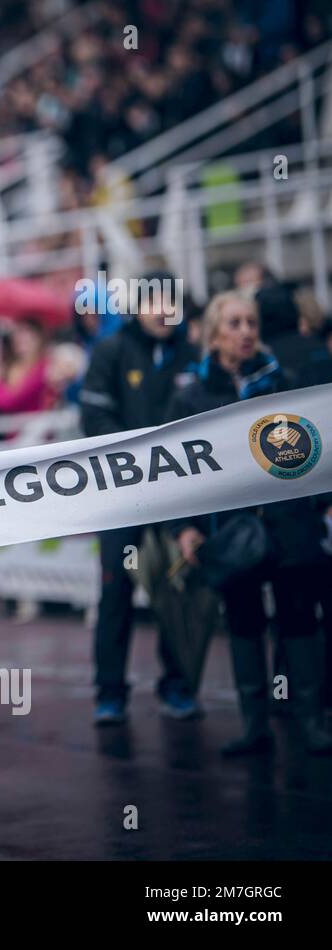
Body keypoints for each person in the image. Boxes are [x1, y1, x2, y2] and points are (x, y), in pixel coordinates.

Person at [166, 291, 332, 756]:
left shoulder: (288, 383)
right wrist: (185, 528)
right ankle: (254, 726)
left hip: (291, 522)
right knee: (243, 622)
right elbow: (172, 473)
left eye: (252, 323)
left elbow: (316, 451)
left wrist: (325, 507)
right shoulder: (192, 396)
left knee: (299, 620)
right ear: (215, 333)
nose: (246, 332)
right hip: (230, 528)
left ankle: (311, 722)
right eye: (235, 323)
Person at [77, 270, 200, 725]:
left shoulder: (193, 354)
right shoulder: (111, 350)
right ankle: (110, 693)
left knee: (178, 586)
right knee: (115, 591)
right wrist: (140, 460)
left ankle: (178, 686)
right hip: (122, 495)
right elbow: (93, 415)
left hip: (179, 497)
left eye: (173, 301)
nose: (165, 311)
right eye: (155, 301)